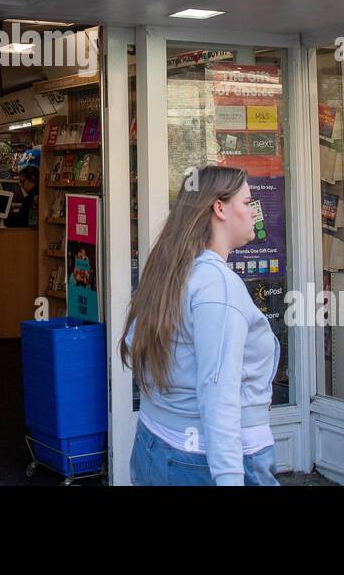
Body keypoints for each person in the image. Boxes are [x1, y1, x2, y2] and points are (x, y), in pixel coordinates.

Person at [120, 165, 280, 486]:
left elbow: (133, 341)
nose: (255, 213)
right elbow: (218, 391)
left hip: (155, 444)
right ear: (219, 208)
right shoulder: (218, 285)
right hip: (204, 460)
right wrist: (230, 478)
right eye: (247, 203)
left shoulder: (171, 270)